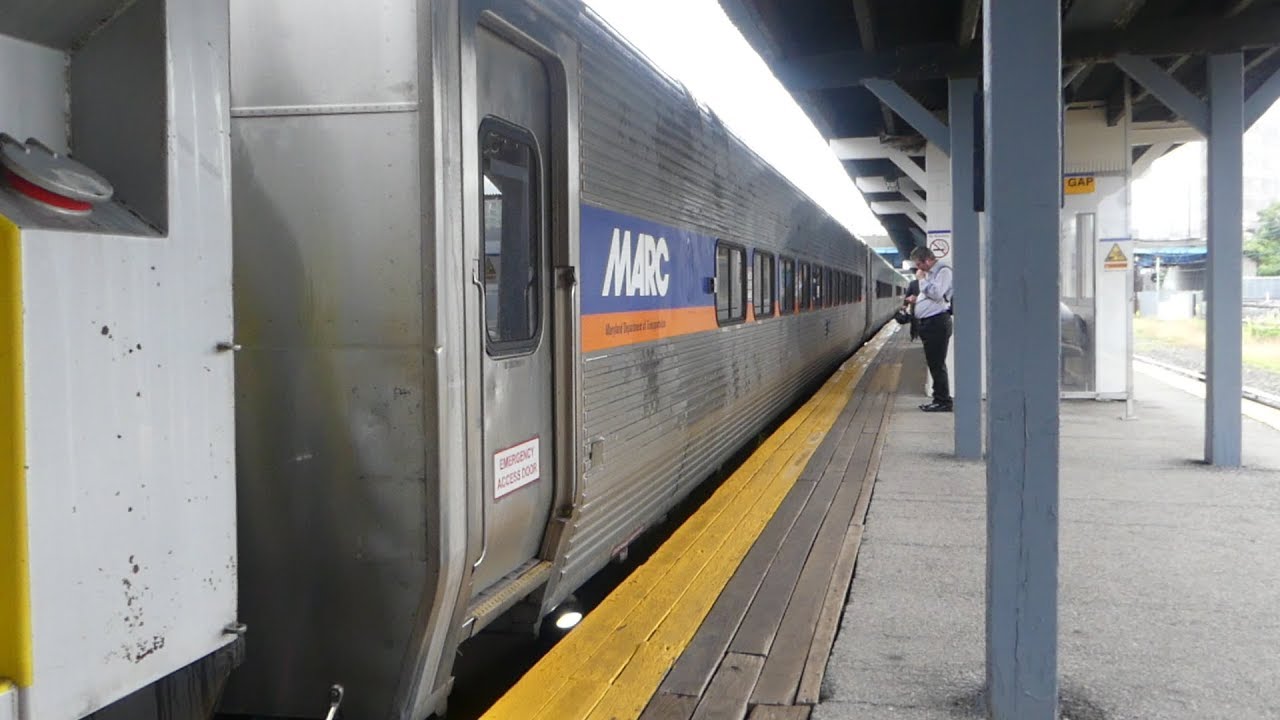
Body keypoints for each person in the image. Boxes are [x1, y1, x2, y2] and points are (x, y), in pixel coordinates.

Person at [907, 246, 952, 412]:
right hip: (930, 323)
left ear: (927, 260)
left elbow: (937, 293)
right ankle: (938, 398)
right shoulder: (931, 274)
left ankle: (943, 401)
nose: (918, 268)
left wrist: (921, 280)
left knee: (937, 364)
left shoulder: (943, 271)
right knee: (934, 363)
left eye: (919, 264)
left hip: (937, 323)